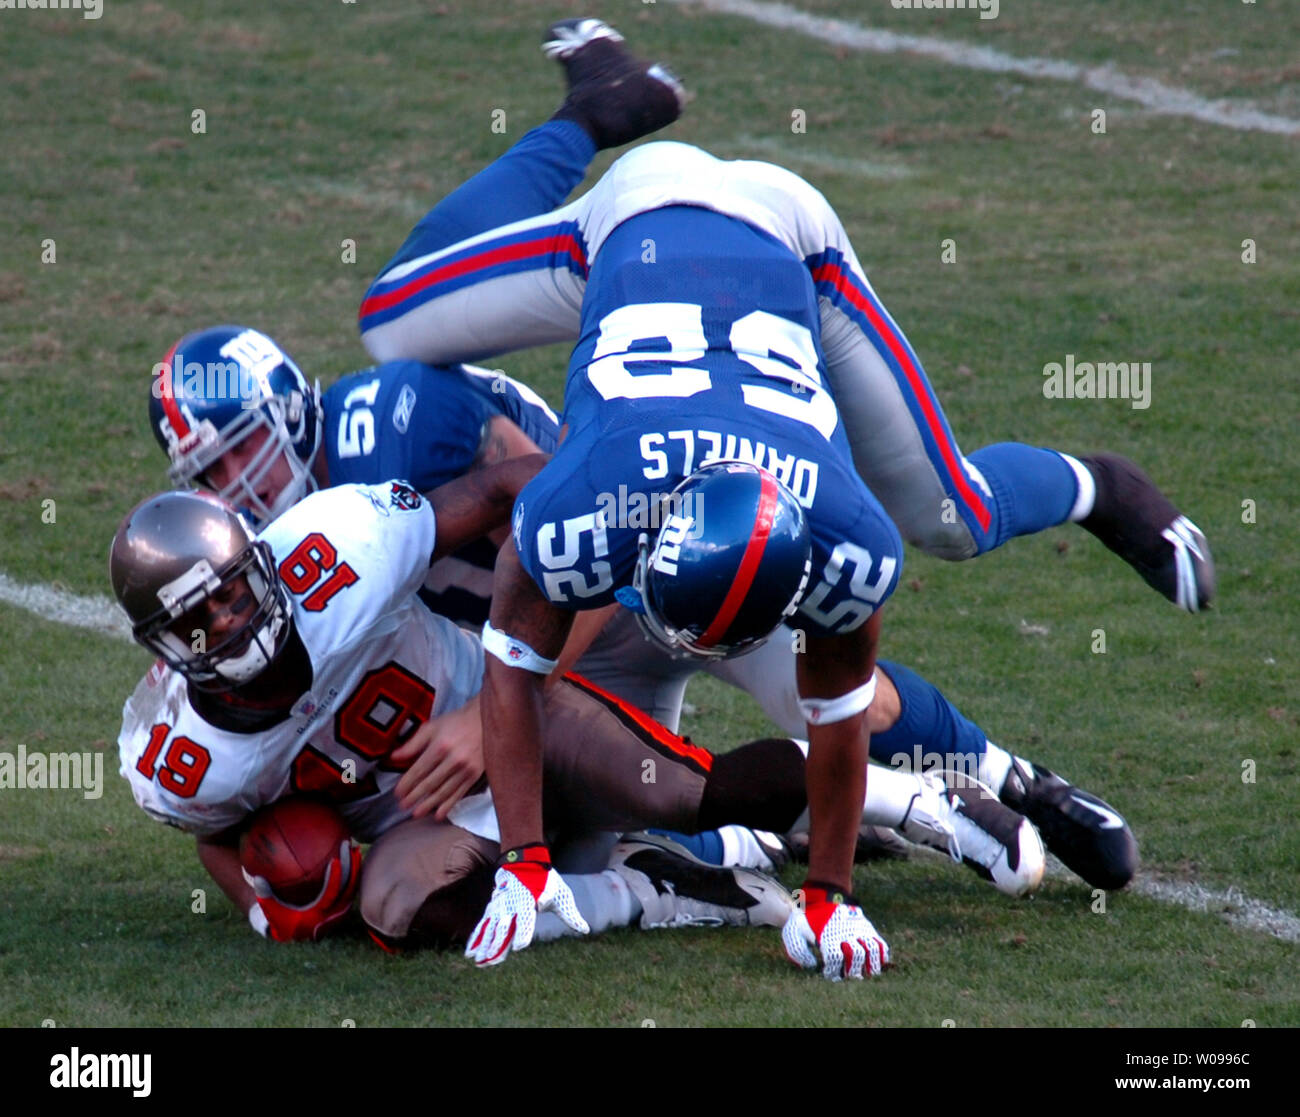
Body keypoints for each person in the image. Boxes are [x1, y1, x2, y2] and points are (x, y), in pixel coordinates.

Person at [356, 18, 1197, 978]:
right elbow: (510, 669)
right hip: (633, 220)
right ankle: (594, 116)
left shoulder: (848, 540)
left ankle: (1101, 487)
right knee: (393, 323)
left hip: (797, 250)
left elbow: (835, 719)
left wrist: (830, 898)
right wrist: (527, 863)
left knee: (949, 514)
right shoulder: (583, 502)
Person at [149, 322, 1138, 896]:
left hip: (638, 573)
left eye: (243, 447)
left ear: (293, 404)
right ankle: (782, 839)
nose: (240, 483)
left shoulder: (399, 427)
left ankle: (1016, 781)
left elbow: (546, 545)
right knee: (592, 840)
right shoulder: (253, 574)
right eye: (212, 471)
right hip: (528, 646)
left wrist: (494, 711)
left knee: (846, 701)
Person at [109, 484, 1044, 965]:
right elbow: (218, 832)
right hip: (425, 824)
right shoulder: (181, 756)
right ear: (164, 644)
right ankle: (650, 887)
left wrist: (494, 697)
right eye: (201, 617)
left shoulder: (336, 550)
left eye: (234, 592)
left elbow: (531, 486)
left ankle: (923, 804)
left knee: (681, 788)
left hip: (519, 715)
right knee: (395, 912)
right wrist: (265, 904)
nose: (230, 620)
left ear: (261, 561)